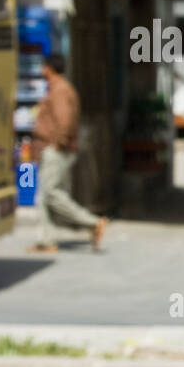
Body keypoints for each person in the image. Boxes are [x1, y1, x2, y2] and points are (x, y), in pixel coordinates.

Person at [28, 52, 107, 253]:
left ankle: (92, 222)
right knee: (45, 195)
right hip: (51, 148)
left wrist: (58, 143)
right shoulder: (56, 89)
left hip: (56, 149)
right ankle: (47, 240)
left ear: (49, 68)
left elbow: (65, 120)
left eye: (43, 66)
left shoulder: (60, 90)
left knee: (51, 193)